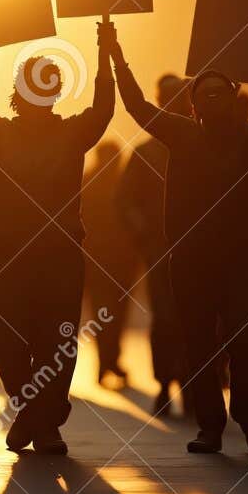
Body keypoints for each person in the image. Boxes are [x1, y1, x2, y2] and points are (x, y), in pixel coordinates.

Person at [115, 39, 248, 454]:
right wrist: (115, 57)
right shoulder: (180, 134)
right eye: (204, 94)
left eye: (220, 92)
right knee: (198, 345)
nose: (213, 99)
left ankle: (247, 417)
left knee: (244, 345)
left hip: (237, 264)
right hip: (189, 263)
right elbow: (136, 106)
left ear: (234, 100)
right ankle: (210, 427)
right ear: (193, 106)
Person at [0, 23, 116, 455]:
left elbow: (103, 109)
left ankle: (43, 422)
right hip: (10, 254)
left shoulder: (73, 133)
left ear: (55, 92)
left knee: (58, 341)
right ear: (19, 92)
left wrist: (106, 54)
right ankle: (36, 413)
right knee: (6, 341)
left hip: (60, 255)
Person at [117, 74, 189, 416]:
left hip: (198, 249)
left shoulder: (201, 144)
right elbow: (124, 200)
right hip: (160, 250)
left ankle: (195, 382)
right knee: (165, 318)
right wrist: (144, 232)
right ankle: (164, 382)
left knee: (198, 318)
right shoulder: (145, 153)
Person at [82, 140, 135, 388]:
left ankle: (109, 359)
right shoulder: (112, 183)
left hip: (111, 260)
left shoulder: (89, 182)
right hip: (107, 260)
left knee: (107, 312)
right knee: (110, 311)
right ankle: (108, 360)